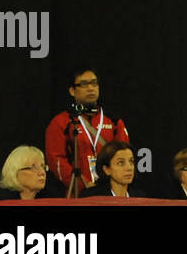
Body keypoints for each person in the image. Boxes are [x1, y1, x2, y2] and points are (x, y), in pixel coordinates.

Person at [44, 66, 129, 196]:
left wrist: (113, 185)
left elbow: (125, 155)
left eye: (94, 83)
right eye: (83, 84)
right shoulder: (61, 122)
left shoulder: (114, 121)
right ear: (72, 90)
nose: (90, 88)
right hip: (78, 193)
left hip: (111, 191)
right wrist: (82, 184)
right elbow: (56, 160)